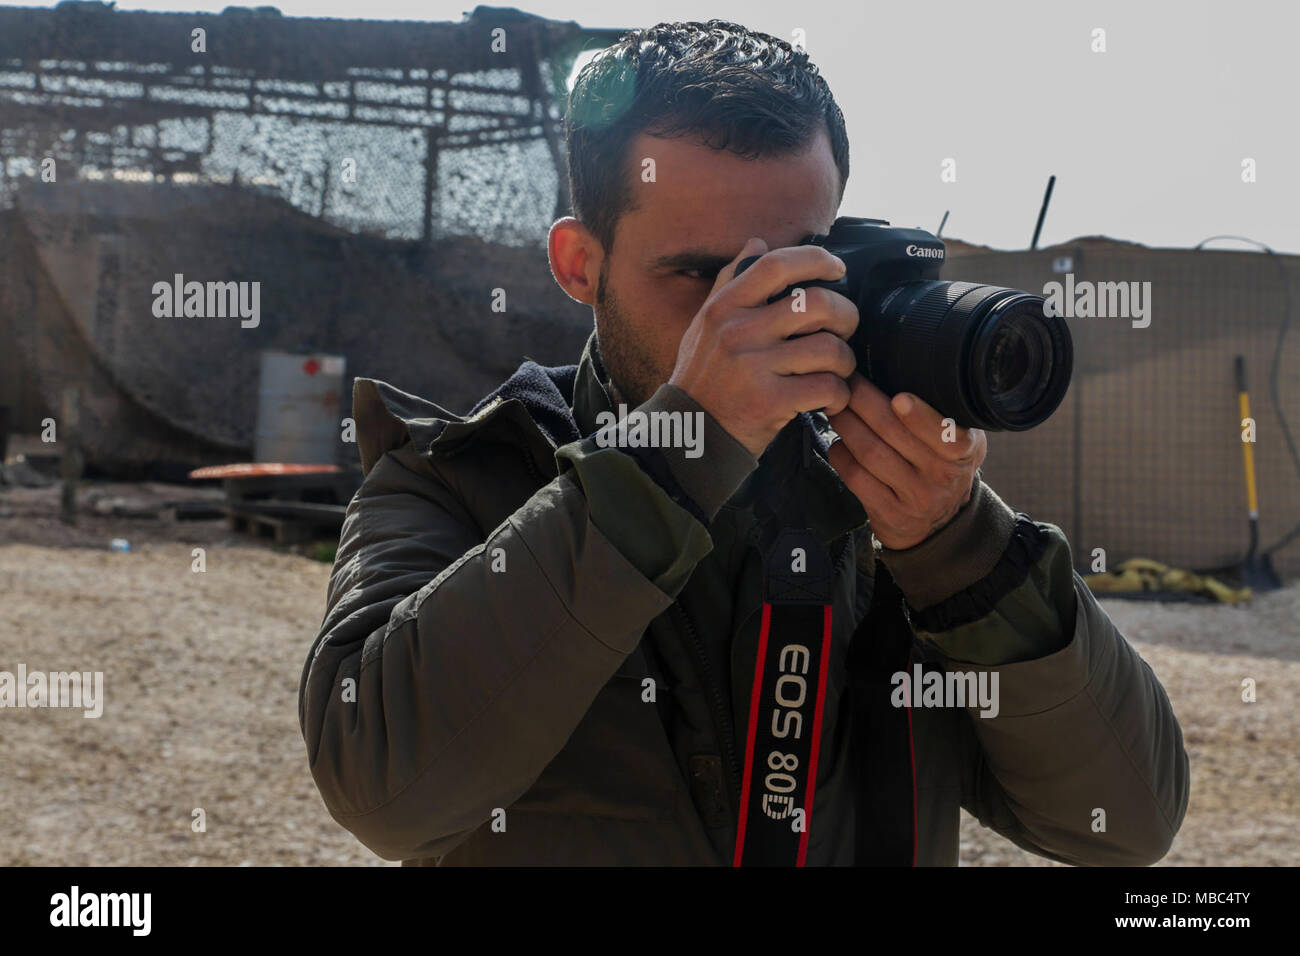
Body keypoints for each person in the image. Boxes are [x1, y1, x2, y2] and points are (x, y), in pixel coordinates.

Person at [297, 19, 1189, 866]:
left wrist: (962, 552)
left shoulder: (883, 512)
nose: (759, 317)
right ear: (579, 264)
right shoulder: (455, 484)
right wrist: (675, 461)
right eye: (700, 274)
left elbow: (1125, 823)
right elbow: (386, 794)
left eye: (798, 266)